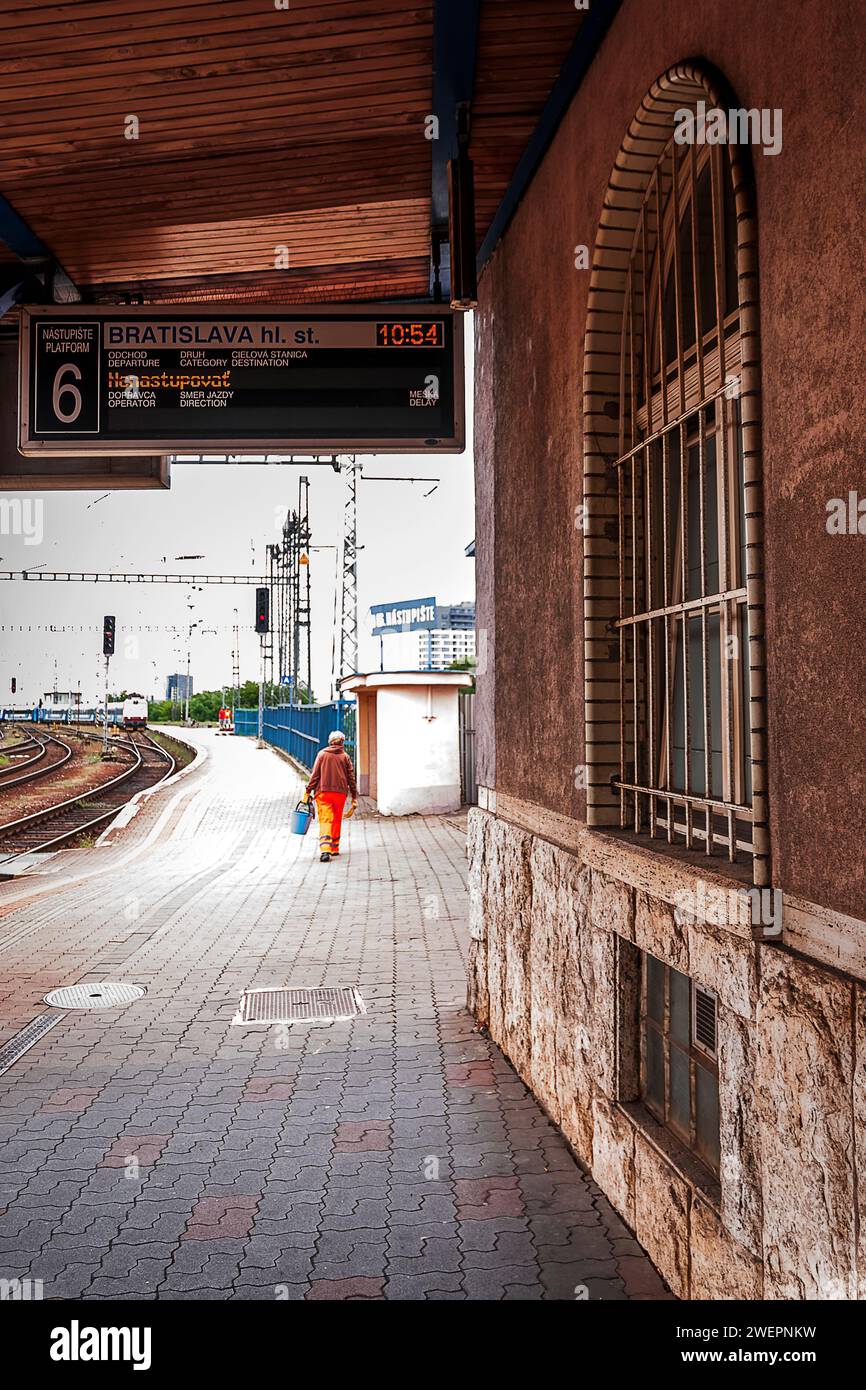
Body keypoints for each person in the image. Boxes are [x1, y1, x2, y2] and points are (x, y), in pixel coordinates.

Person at [303, 730, 357, 863]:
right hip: (340, 794)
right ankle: (334, 847)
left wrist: (308, 791)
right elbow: (351, 777)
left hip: (324, 793)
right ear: (342, 742)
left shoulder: (322, 755)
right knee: (337, 819)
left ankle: (325, 850)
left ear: (330, 741)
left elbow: (315, 775)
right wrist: (354, 796)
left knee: (326, 819)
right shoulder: (345, 756)